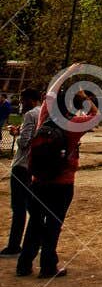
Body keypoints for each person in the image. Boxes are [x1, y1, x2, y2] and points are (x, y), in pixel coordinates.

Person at [17, 82, 100, 278]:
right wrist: (84, 97)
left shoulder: (44, 119)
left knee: (34, 222)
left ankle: (24, 265)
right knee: (54, 223)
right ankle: (48, 266)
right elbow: (96, 115)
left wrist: (64, 78)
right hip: (62, 182)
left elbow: (49, 95)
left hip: (38, 180)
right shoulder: (73, 125)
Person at [1, 88, 41, 258]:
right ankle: (37, 241)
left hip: (22, 164)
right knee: (32, 206)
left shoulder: (30, 115)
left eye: (23, 100)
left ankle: (14, 245)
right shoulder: (44, 113)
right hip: (35, 165)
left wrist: (16, 134)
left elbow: (24, 142)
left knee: (18, 207)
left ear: (30, 100)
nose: (21, 104)